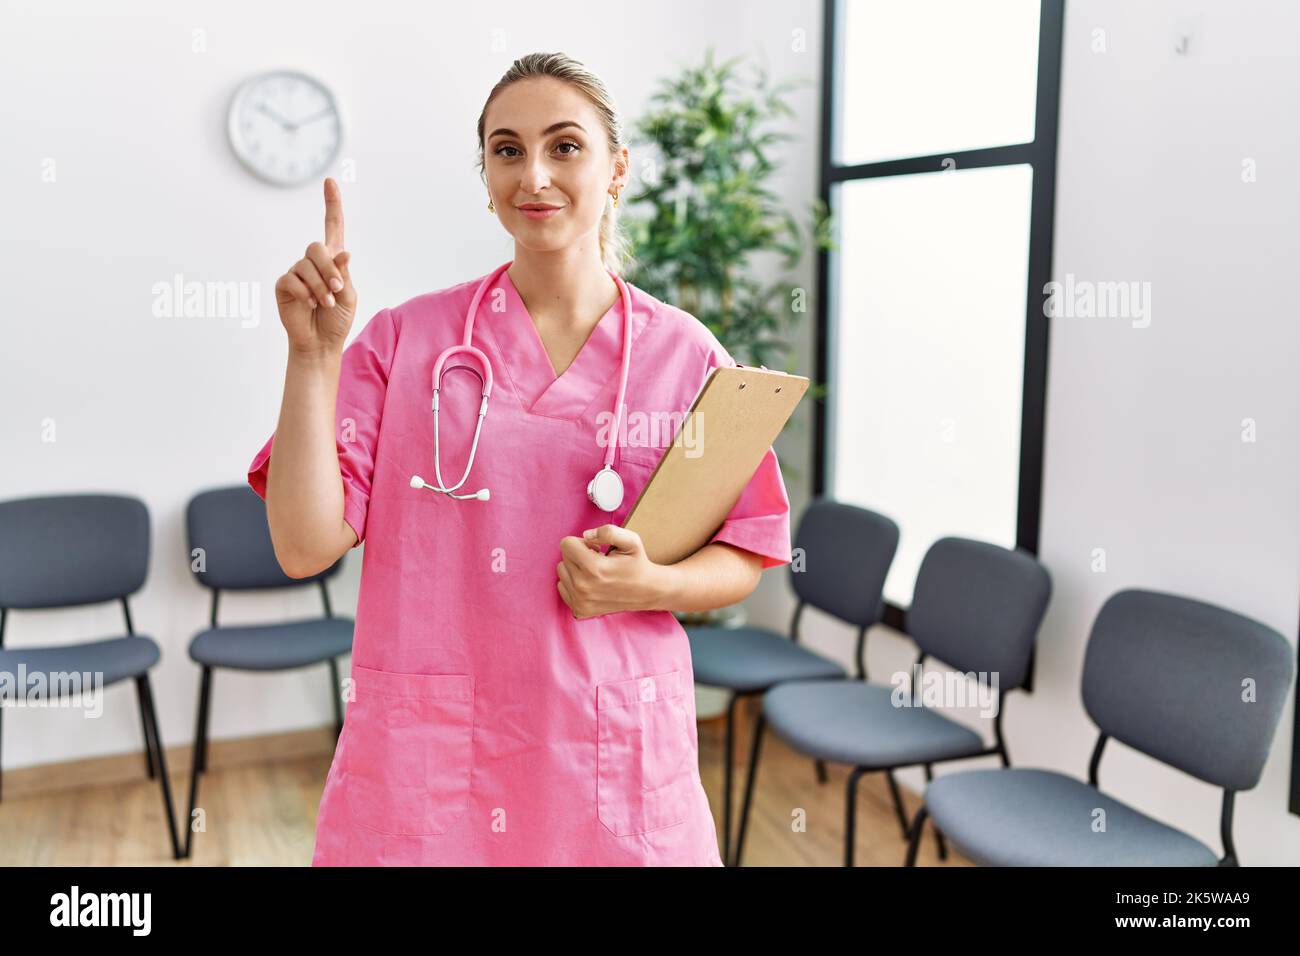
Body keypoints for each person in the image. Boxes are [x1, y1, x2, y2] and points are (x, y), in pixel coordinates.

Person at [248, 51, 793, 866]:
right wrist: (313, 357)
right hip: (431, 754)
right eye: (507, 150)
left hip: (608, 748)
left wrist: (658, 586)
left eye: (565, 146)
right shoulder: (408, 342)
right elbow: (302, 545)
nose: (534, 173)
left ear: (617, 168)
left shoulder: (688, 356)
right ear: (487, 174)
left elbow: (747, 548)